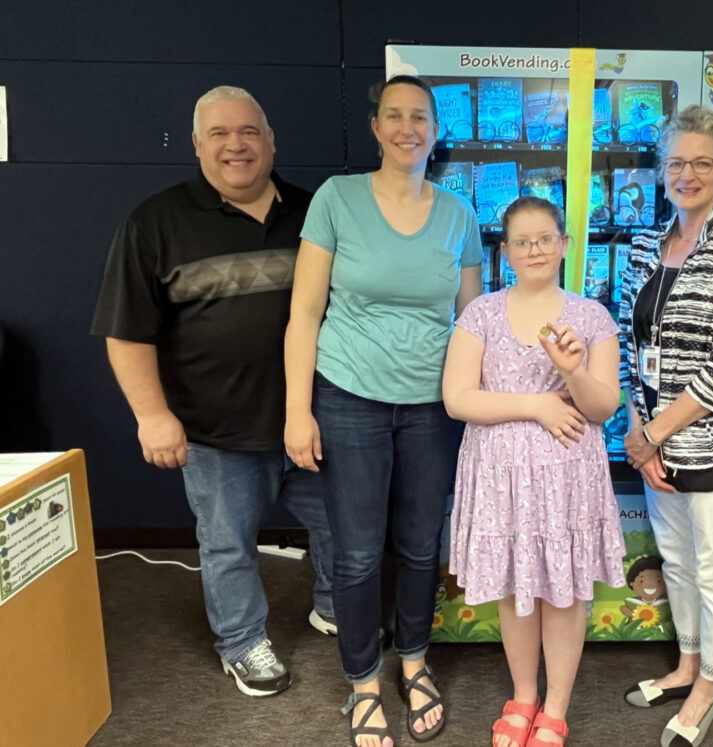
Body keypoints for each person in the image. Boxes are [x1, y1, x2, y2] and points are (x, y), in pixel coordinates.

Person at [90, 85, 336, 697]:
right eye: (220, 134)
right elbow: (125, 333)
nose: (237, 145)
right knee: (227, 544)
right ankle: (243, 642)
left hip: (313, 421)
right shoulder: (154, 223)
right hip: (214, 431)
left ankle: (336, 607)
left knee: (344, 526)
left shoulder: (317, 214)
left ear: (271, 141)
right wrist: (152, 415)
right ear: (198, 144)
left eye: (249, 132)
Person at [283, 74, 482, 747]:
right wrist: (296, 410)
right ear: (375, 127)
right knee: (359, 549)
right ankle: (364, 679)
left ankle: (415, 662)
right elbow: (304, 313)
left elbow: (475, 322)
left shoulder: (458, 215)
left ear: (436, 128)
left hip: (433, 406)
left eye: (420, 116)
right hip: (347, 398)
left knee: (422, 543)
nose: (408, 128)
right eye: (394, 116)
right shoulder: (337, 199)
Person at [443, 195, 626, 747]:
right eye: (522, 241)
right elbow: (457, 398)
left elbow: (602, 408)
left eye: (546, 238)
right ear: (506, 251)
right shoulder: (481, 314)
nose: (535, 250)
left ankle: (557, 707)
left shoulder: (591, 317)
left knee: (564, 593)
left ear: (565, 244)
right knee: (514, 587)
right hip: (500, 480)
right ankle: (524, 695)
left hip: (568, 481)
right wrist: (536, 405)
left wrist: (571, 372)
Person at [619, 104, 713, 747]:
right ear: (662, 171)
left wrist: (650, 436)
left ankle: (712, 685)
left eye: (702, 163)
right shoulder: (642, 247)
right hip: (654, 446)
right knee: (678, 563)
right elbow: (633, 352)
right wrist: (640, 428)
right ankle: (687, 663)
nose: (688, 174)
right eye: (676, 162)